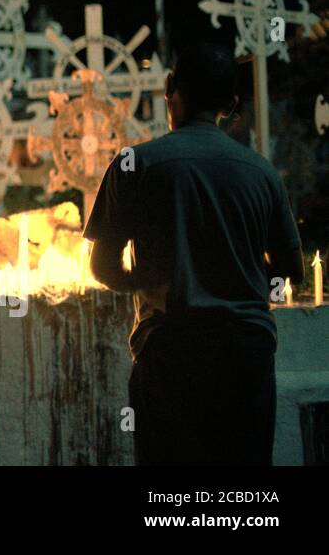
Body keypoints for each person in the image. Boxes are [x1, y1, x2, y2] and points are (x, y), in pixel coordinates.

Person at [86, 41, 305, 465]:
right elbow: (290, 268)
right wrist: (247, 282)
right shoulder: (262, 173)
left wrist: (147, 281)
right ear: (232, 102)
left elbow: (102, 266)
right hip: (247, 354)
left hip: (171, 350)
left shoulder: (135, 164)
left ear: (171, 88)